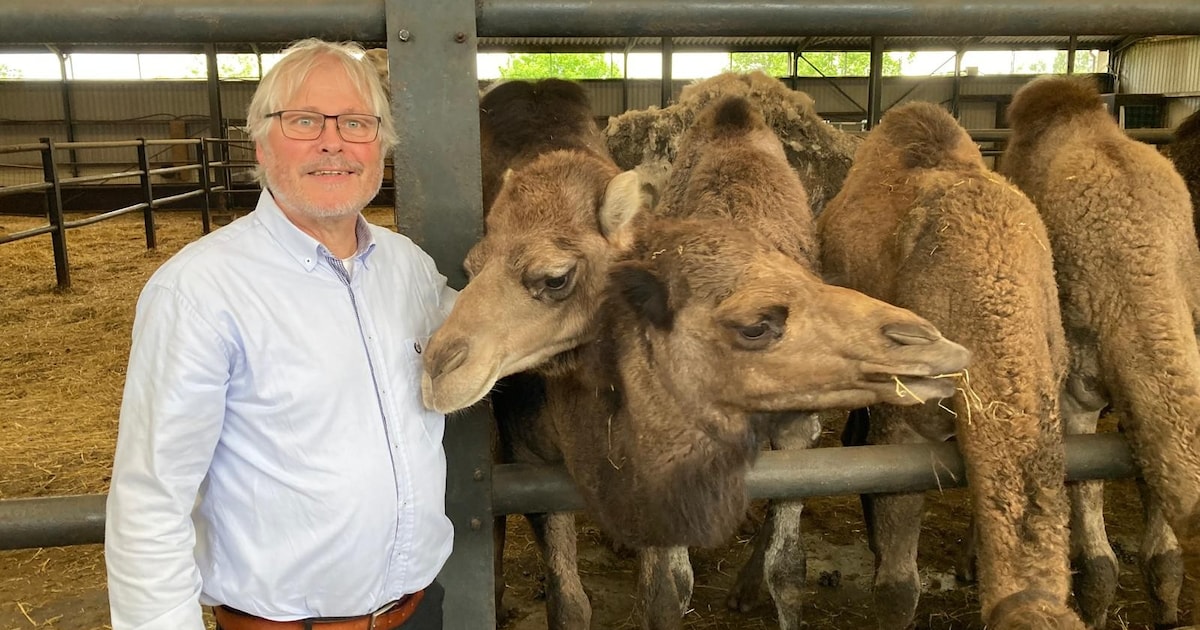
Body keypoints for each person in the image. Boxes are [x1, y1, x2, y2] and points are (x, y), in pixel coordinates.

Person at [105, 38, 456, 630]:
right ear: (261, 144)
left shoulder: (410, 268)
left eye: (356, 122)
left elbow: (495, 329)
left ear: (382, 146)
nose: (332, 141)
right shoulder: (199, 290)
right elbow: (151, 499)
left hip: (417, 614)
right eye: (303, 120)